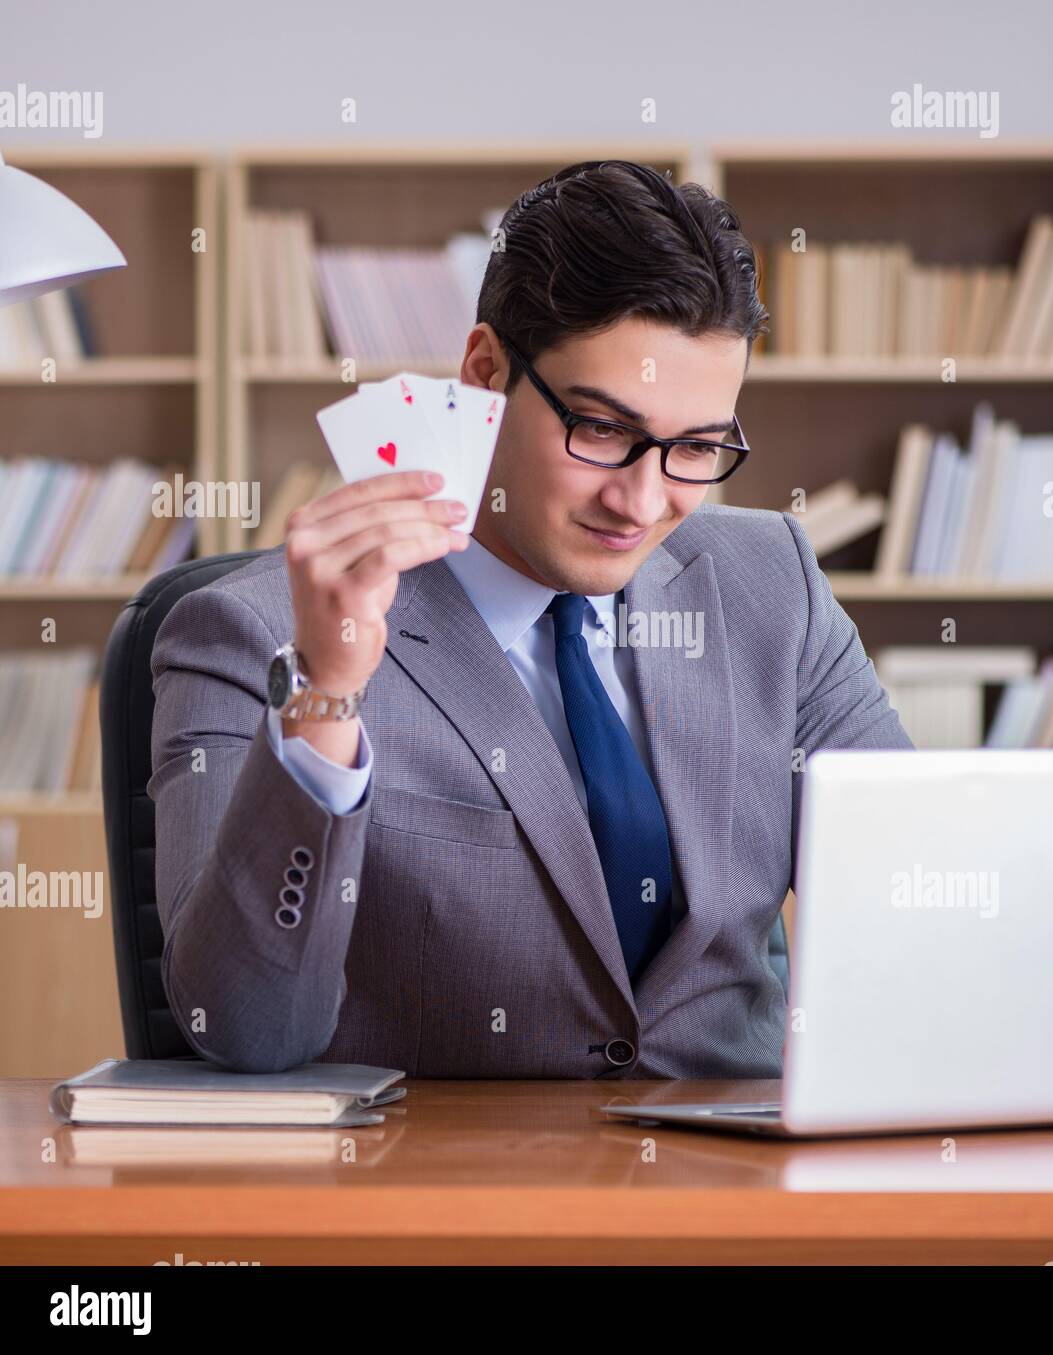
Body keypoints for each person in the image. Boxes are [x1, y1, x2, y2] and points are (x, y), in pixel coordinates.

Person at [149, 159, 912, 1078]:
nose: (642, 500)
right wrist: (328, 701)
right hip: (457, 1196)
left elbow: (913, 892)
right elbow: (242, 1025)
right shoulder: (249, 631)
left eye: (698, 447)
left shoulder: (769, 582)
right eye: (599, 429)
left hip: (745, 1185)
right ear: (484, 373)